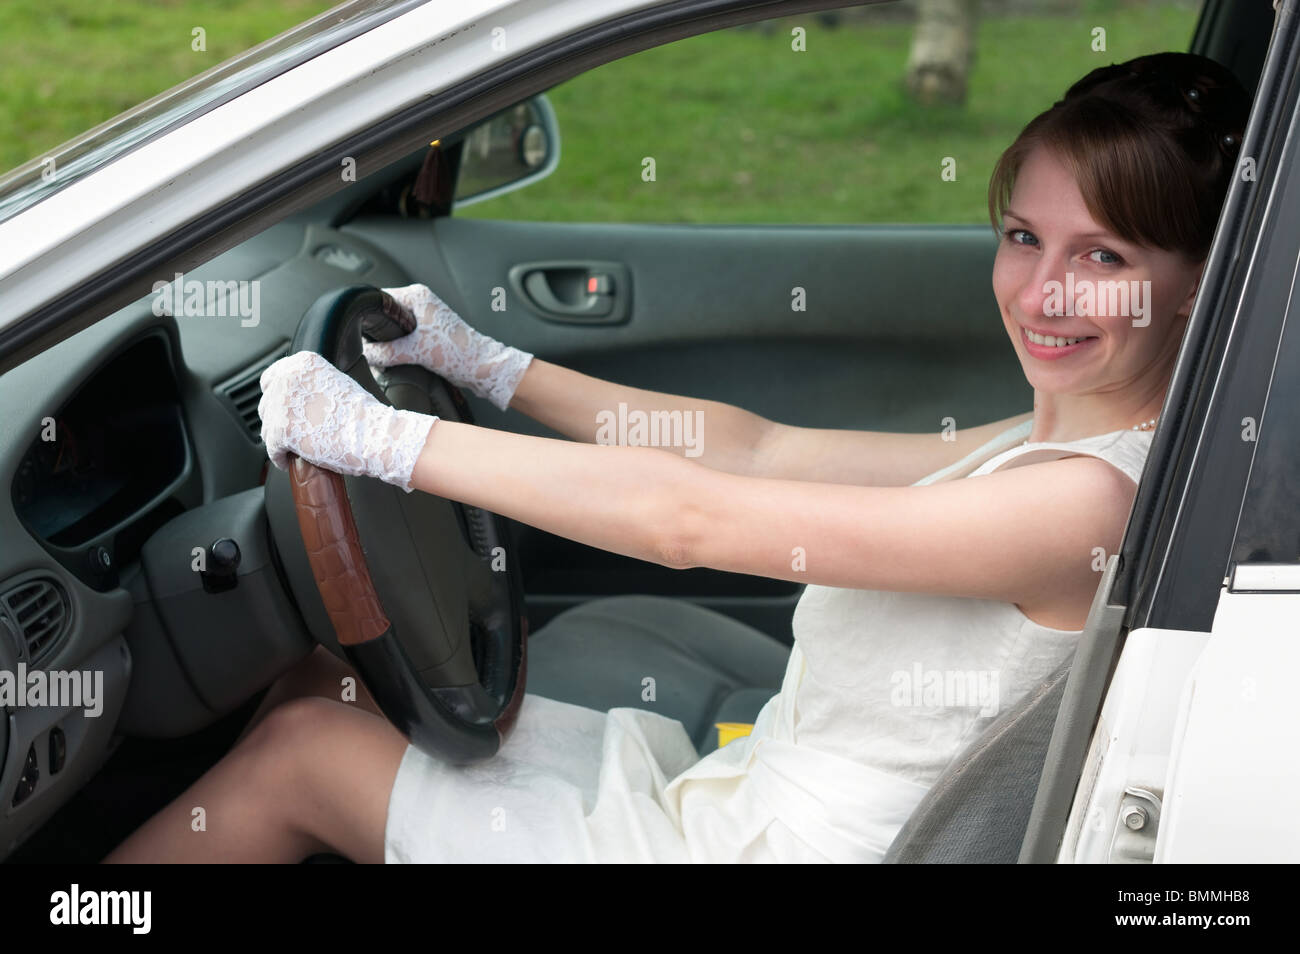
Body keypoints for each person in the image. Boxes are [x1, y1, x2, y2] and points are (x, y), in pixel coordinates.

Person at [103, 51, 1250, 864]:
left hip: (784, 848)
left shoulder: (1085, 501)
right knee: (323, 680)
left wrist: (392, 439)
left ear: (1200, 280)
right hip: (745, 796)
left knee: (301, 753)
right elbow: (761, 450)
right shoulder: (1053, 443)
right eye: (1020, 237)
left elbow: (690, 524)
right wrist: (493, 366)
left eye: (1102, 255)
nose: (1041, 292)